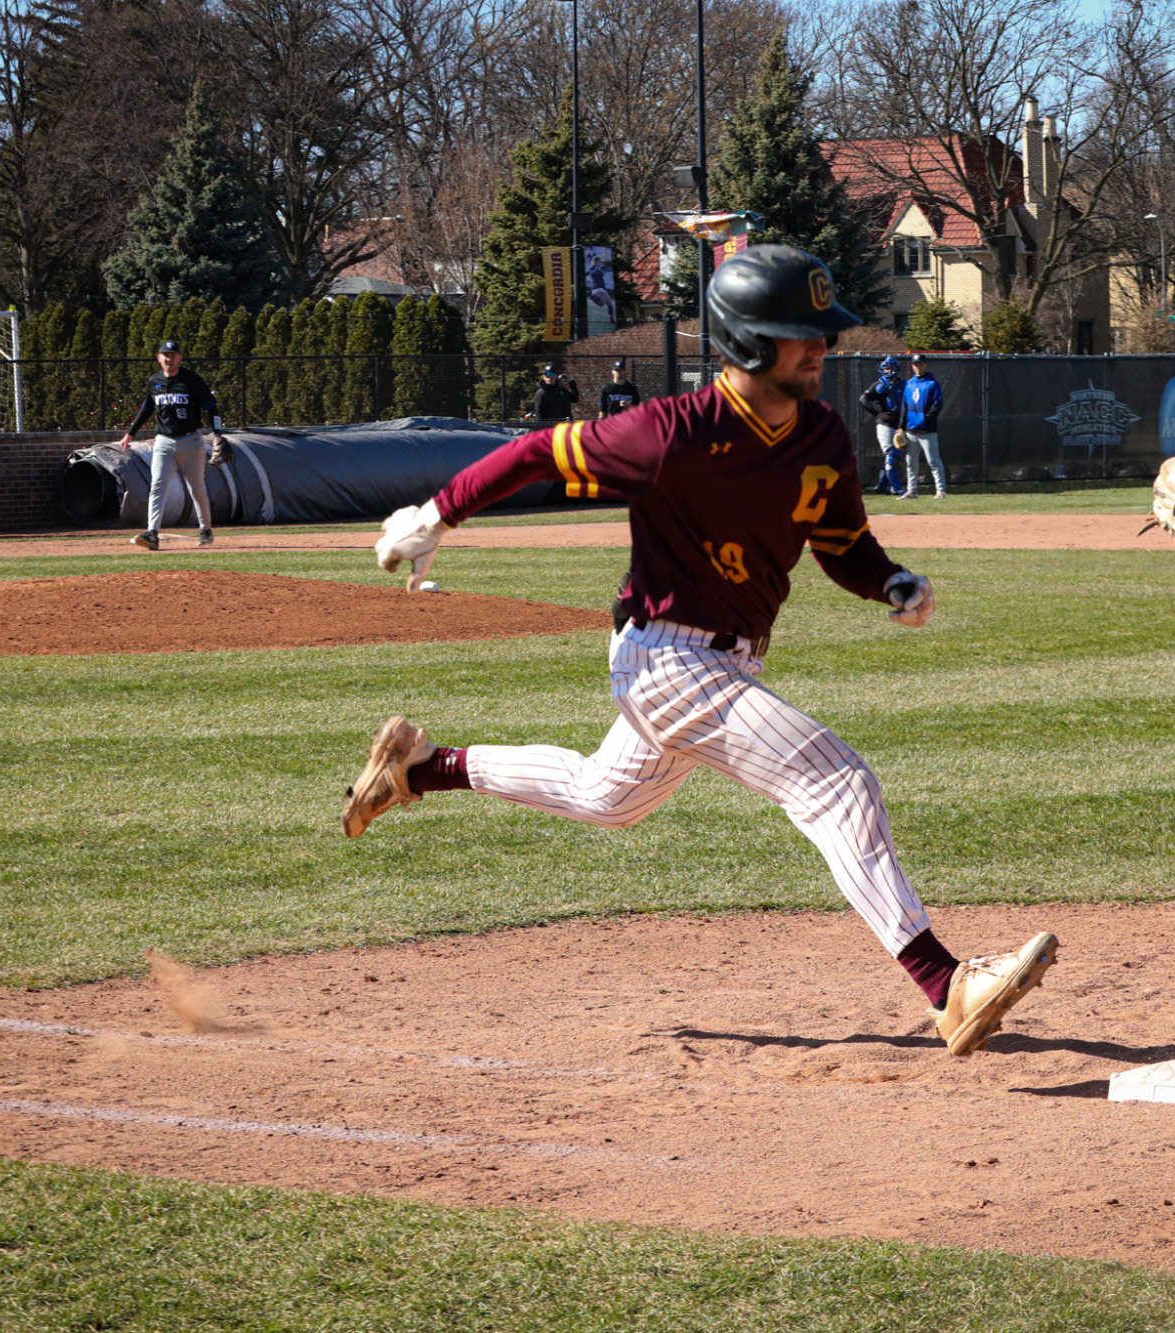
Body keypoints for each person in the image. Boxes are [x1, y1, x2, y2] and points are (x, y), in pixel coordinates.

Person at [346, 246, 1059, 1058]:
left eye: (822, 332)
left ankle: (420, 768)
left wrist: (889, 581)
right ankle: (945, 983)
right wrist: (435, 515)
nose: (822, 346)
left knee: (607, 796)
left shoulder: (821, 434)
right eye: (802, 334)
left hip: (724, 661)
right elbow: (537, 453)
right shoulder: (670, 435)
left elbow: (842, 543)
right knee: (835, 781)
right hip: (664, 657)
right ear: (749, 343)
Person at [117, 339, 226, 550]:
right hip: (163, 441)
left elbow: (211, 406)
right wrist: (130, 434)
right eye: (165, 355)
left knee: (197, 488)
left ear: (179, 358)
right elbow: (147, 409)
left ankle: (206, 530)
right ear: (159, 358)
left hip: (191, 441)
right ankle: (152, 534)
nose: (169, 359)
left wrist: (218, 434)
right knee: (158, 486)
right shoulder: (155, 381)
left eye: (173, 355)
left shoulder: (191, 379)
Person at [900, 354, 946, 499]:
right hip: (911, 430)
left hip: (927, 430)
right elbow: (904, 406)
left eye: (920, 364)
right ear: (912, 366)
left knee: (933, 461)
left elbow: (937, 405)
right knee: (910, 462)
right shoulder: (909, 384)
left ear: (925, 364)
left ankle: (940, 491)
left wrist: (924, 419)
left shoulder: (932, 384)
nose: (918, 367)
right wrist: (900, 427)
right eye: (915, 364)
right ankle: (912, 491)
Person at [858, 357, 907, 495]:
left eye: (891, 367)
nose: (889, 370)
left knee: (893, 457)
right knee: (891, 455)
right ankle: (896, 489)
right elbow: (863, 399)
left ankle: (880, 486)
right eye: (886, 368)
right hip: (885, 426)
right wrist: (877, 414)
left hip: (899, 426)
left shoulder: (903, 384)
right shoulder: (880, 385)